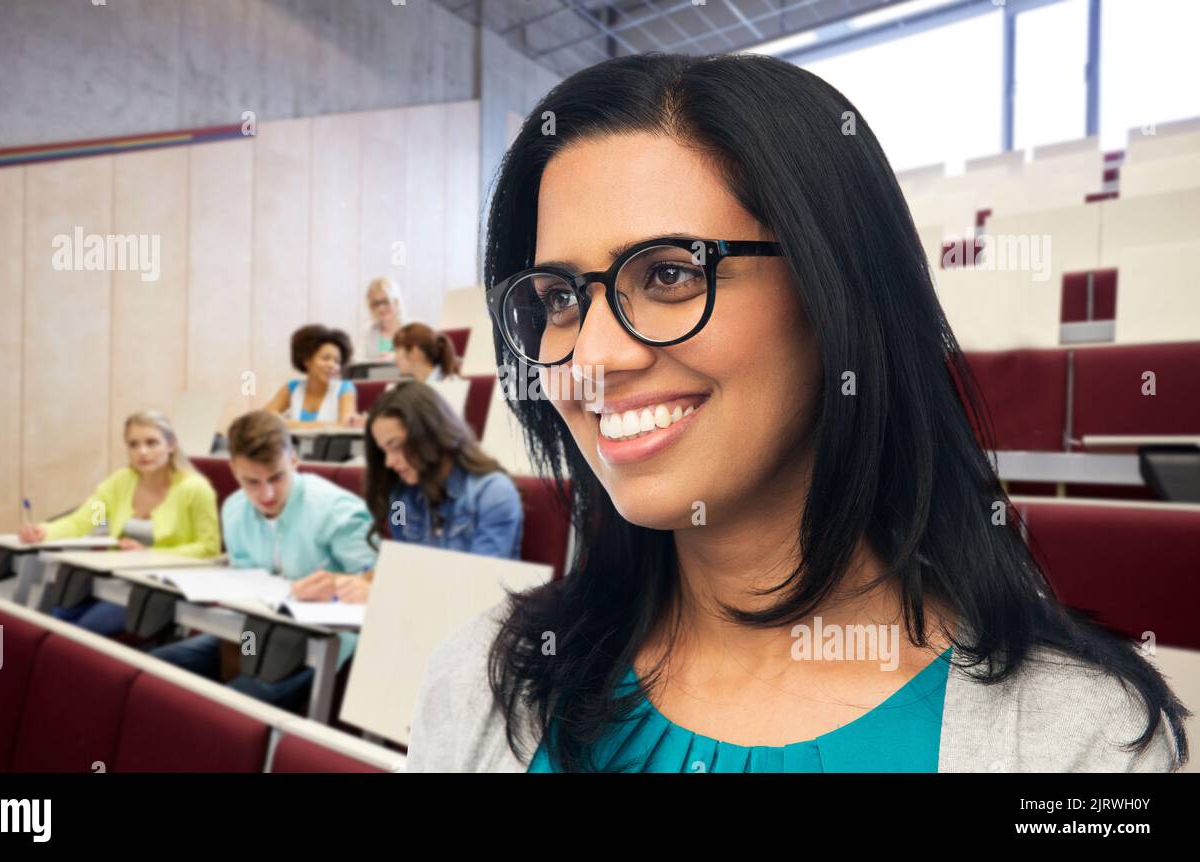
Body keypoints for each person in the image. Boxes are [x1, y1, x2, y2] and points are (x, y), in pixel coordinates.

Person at [404, 53, 1188, 772]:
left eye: (671, 274)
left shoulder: (1086, 744)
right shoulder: (483, 674)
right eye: (561, 298)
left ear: (832, 294)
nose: (593, 359)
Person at [150, 410, 376, 709]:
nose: (266, 494)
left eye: (276, 477)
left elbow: (378, 579)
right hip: (253, 633)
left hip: (320, 643)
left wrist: (340, 583)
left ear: (294, 460)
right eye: (252, 482)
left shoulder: (337, 510)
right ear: (232, 469)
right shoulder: (233, 509)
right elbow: (246, 586)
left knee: (236, 704)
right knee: (155, 671)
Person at [18, 410, 220, 635]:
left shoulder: (195, 489)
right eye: (134, 444)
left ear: (171, 445)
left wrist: (149, 553)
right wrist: (43, 531)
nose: (142, 451)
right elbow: (83, 520)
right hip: (116, 580)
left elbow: (208, 548)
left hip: (158, 588)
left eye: (152, 443)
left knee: (78, 634)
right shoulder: (120, 482)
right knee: (53, 620)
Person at [335, 382, 523, 605]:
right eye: (383, 450)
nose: (389, 462)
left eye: (395, 446)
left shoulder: (494, 494)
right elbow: (401, 564)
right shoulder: (400, 500)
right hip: (416, 616)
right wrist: (350, 582)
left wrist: (384, 594)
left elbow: (479, 590)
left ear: (430, 434)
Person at [262, 324, 361, 427]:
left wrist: (288, 424)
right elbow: (262, 419)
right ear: (306, 360)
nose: (332, 365)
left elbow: (344, 426)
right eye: (325, 358)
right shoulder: (292, 387)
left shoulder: (345, 388)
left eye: (337, 361)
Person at [392, 322, 462, 383]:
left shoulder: (450, 383)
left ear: (415, 352)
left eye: (397, 350)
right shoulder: (417, 388)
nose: (395, 358)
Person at [361, 276, 407, 361]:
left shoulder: (410, 330)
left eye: (386, 301)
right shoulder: (368, 332)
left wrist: (396, 357)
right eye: (376, 303)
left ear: (396, 302)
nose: (381, 308)